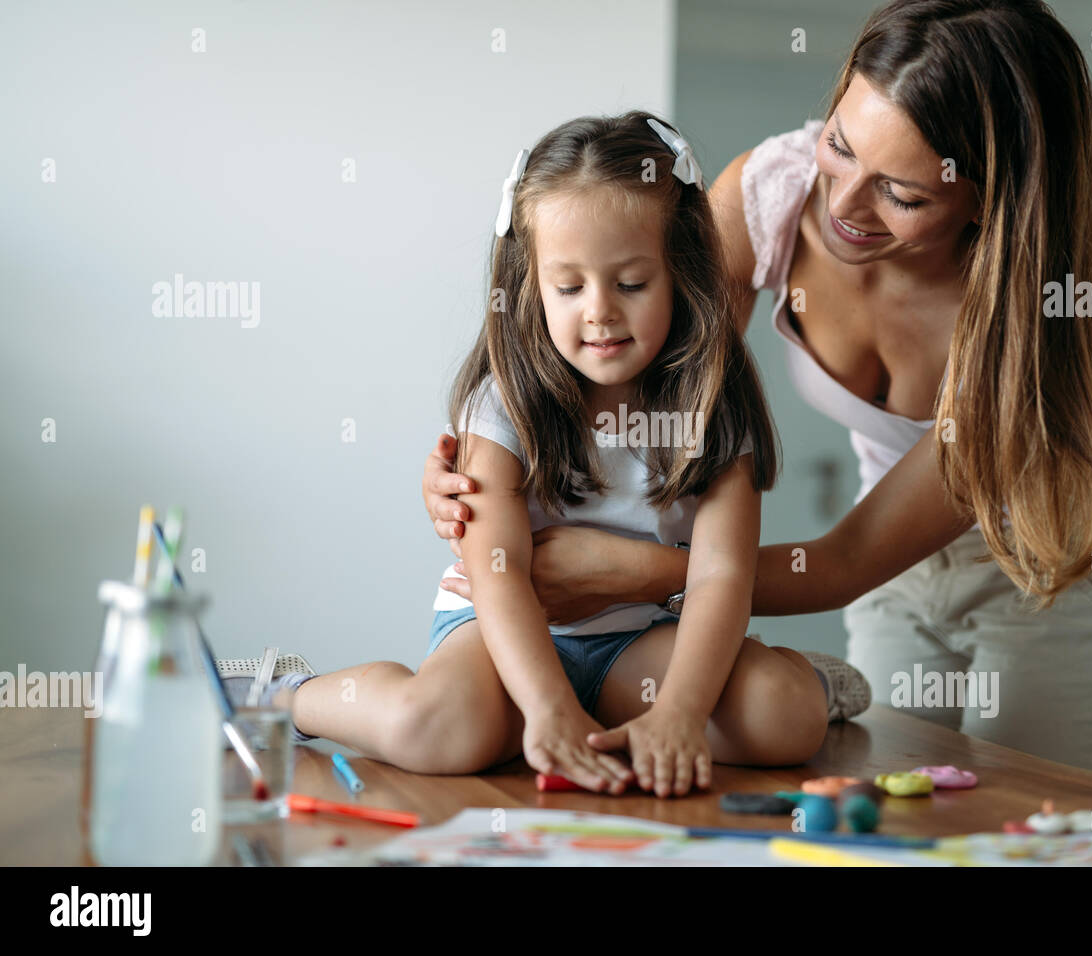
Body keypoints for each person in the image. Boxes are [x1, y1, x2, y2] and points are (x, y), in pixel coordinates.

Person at [425, 0, 1092, 777]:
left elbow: (841, 563)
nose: (843, 206)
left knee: (1024, 826)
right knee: (899, 809)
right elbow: (634, 370)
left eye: (903, 195)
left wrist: (637, 572)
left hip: (1052, 575)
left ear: (992, 197)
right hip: (903, 581)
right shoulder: (774, 194)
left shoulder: (1048, 318)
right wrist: (480, 467)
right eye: (841, 146)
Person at [229, 111, 869, 800]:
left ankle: (770, 682)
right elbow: (499, 574)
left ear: (682, 273)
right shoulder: (501, 402)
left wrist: (680, 713)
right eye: (569, 287)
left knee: (785, 715)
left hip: (639, 639)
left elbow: (721, 576)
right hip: (504, 632)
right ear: (530, 284)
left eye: (631, 284)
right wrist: (544, 706)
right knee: (437, 731)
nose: (599, 311)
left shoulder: (716, 401)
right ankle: (282, 695)